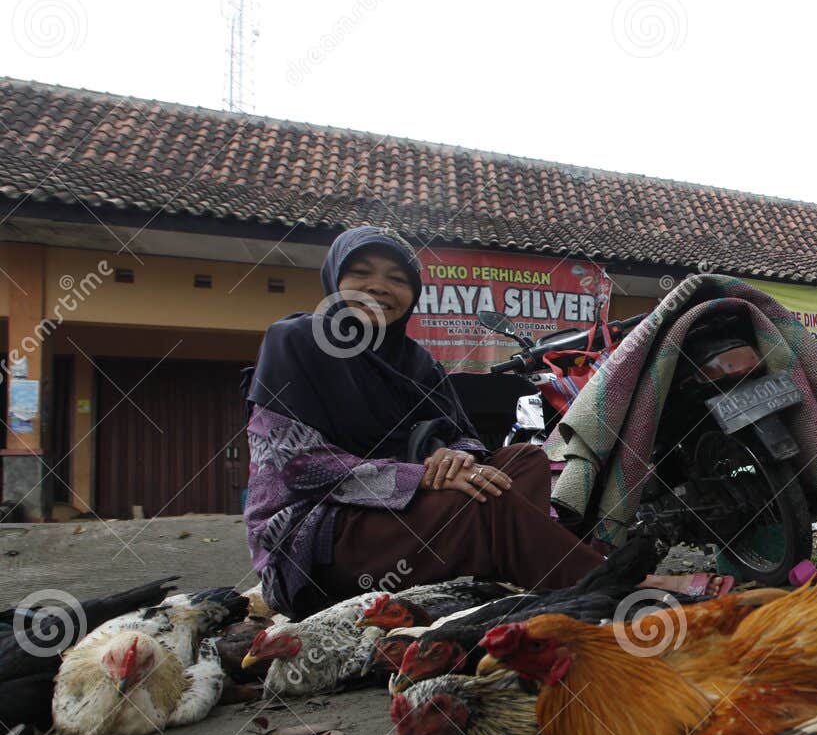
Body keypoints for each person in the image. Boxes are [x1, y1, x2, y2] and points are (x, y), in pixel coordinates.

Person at [244, 225, 725, 618]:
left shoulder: (416, 362)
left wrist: (453, 457)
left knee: (524, 463)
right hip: (318, 537)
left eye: (396, 278)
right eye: (361, 273)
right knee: (482, 501)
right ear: (334, 280)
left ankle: (523, 567)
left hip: (408, 518)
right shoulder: (297, 341)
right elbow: (297, 463)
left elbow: (459, 436)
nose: (378, 287)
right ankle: (624, 585)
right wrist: (421, 477)